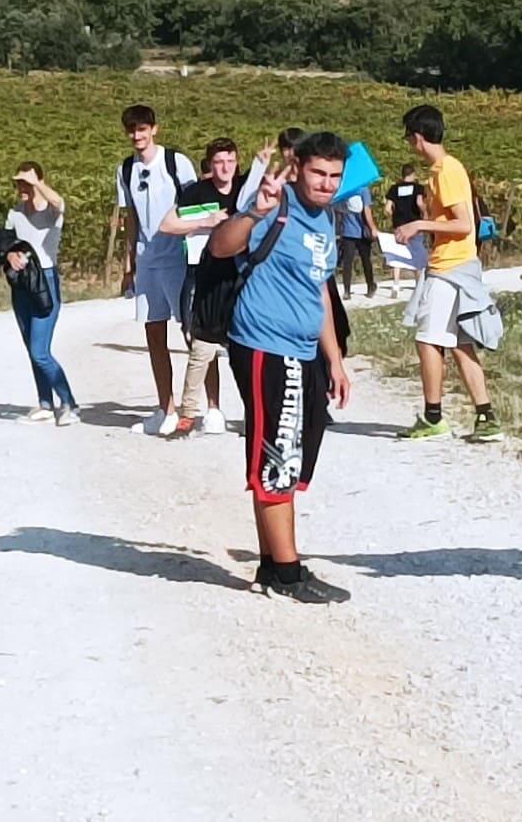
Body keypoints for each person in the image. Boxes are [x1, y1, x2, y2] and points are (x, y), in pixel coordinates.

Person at [210, 133, 355, 604]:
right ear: (298, 166)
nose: (327, 183)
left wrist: (334, 359)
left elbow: (320, 292)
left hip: (302, 350)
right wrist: (253, 210)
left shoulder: (325, 219)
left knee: (286, 453)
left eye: (335, 176)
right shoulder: (277, 203)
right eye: (319, 173)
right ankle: (288, 574)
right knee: (277, 457)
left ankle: (272, 563)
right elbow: (221, 247)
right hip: (265, 347)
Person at [393, 105, 502, 442]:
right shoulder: (449, 168)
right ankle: (486, 416)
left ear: (416, 137)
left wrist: (418, 224)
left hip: (448, 267)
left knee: (428, 338)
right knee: (459, 343)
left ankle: (433, 416)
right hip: (458, 264)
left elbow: (463, 223)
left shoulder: (444, 170)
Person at [159, 137, 268, 436]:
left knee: (246, 350)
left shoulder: (248, 188)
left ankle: (254, 417)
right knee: (201, 348)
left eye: (230, 161)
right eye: (219, 162)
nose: (225, 168)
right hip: (204, 276)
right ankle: (190, 415)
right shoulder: (196, 192)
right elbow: (167, 226)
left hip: (242, 278)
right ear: (210, 164)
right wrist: (206, 222)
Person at [116, 104, 200, 436]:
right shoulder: (125, 169)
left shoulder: (176, 163)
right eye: (132, 130)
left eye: (142, 129)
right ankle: (166, 409)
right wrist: (129, 265)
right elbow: (131, 218)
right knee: (154, 335)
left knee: (194, 334)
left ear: (155, 129)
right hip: (147, 260)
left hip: (178, 258)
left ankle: (203, 408)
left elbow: (196, 206)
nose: (137, 136)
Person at [4, 163, 80, 425]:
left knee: (40, 351)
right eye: (20, 182)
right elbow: (7, 242)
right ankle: (45, 403)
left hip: (45, 280)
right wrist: (10, 253)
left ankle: (69, 402)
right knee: (31, 346)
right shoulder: (15, 213)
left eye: (27, 182)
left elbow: (59, 201)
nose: (22, 187)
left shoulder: (52, 212)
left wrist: (37, 184)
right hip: (22, 283)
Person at [334, 180, 379, 300]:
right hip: (362, 232)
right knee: (366, 260)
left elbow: (338, 209)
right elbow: (367, 211)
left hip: (348, 231)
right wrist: (373, 227)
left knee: (347, 262)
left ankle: (347, 291)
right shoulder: (363, 190)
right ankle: (370, 287)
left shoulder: (345, 191)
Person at [386, 164, 429, 285]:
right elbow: (419, 203)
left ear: (402, 175)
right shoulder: (418, 187)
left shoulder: (394, 188)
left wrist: (394, 218)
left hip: (399, 225)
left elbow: (388, 208)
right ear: (413, 174)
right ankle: (419, 283)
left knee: (398, 253)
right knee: (418, 253)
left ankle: (396, 284)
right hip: (414, 225)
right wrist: (425, 214)